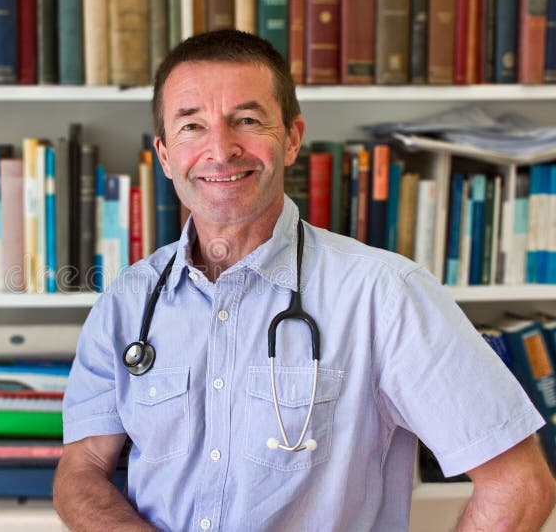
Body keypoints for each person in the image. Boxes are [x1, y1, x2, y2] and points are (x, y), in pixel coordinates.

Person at [52, 29, 556, 531]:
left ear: (291, 139)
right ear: (164, 155)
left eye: (246, 121)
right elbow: (81, 472)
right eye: (192, 126)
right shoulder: (127, 300)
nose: (221, 150)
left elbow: (518, 486)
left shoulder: (385, 295)